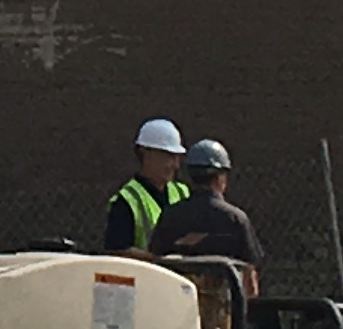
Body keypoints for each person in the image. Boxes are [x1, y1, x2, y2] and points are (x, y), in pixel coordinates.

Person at [157, 137, 263, 293]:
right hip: (223, 305)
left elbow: (157, 262)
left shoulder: (170, 216)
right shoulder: (236, 219)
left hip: (179, 302)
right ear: (219, 177)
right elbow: (250, 285)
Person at [100, 120, 189, 251]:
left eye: (177, 158)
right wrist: (159, 259)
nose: (175, 165)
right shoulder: (127, 201)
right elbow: (117, 250)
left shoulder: (183, 192)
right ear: (146, 154)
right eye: (169, 156)